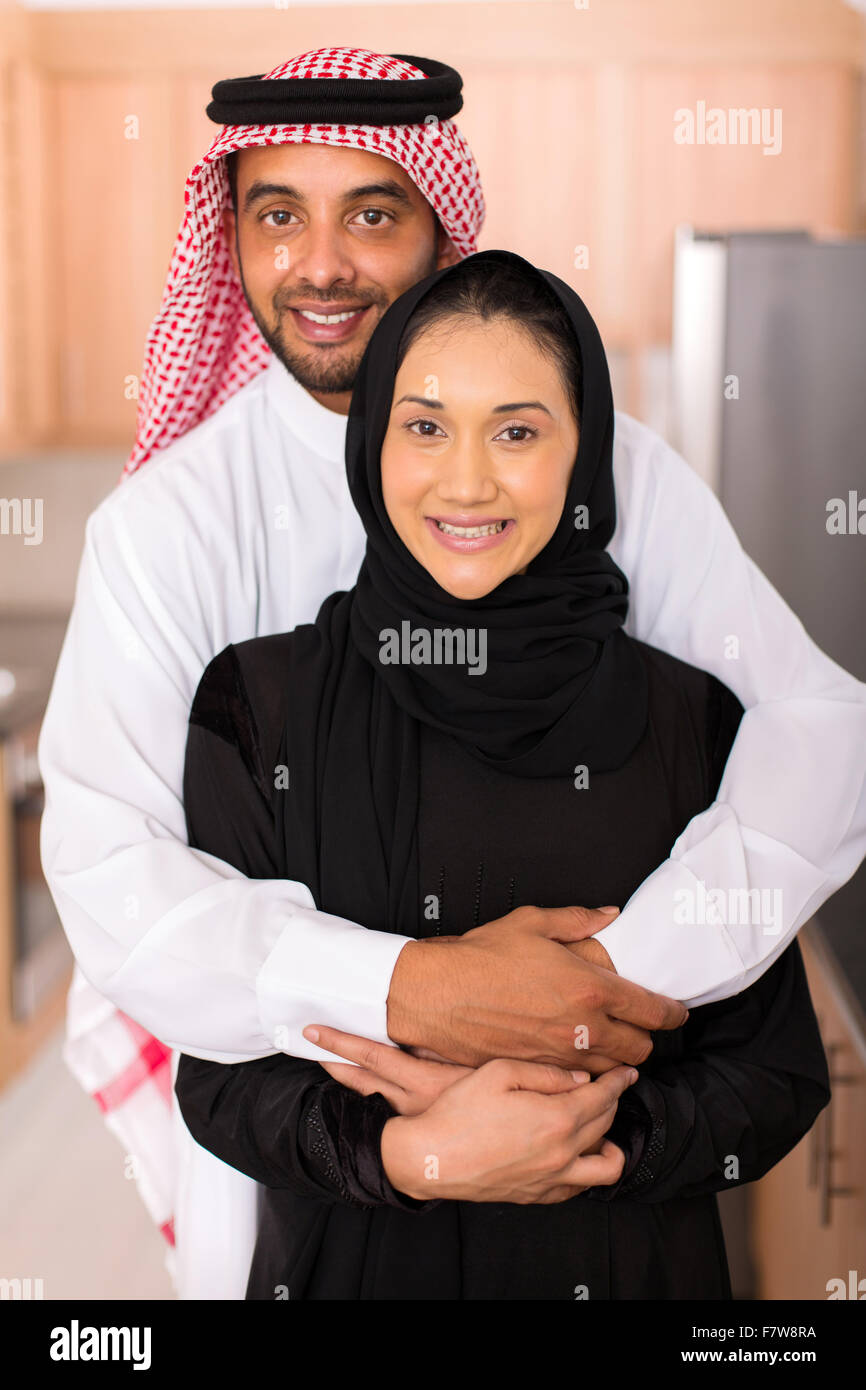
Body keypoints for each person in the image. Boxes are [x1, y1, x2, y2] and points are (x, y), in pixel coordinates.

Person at [37, 48, 865, 1298]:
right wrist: (419, 1002)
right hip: (316, 1188)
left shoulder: (618, 474)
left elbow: (815, 731)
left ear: (441, 228)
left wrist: (600, 986)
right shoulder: (166, 530)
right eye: (277, 216)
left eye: (372, 213)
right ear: (235, 240)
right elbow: (116, 882)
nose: (321, 264)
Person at [175, 251, 830, 1300]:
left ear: (585, 455)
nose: (466, 479)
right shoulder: (258, 704)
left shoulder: (691, 717)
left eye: (516, 430)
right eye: (423, 424)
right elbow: (216, 1071)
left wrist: (570, 1137)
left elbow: (772, 1075)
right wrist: (414, 1155)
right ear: (369, 442)